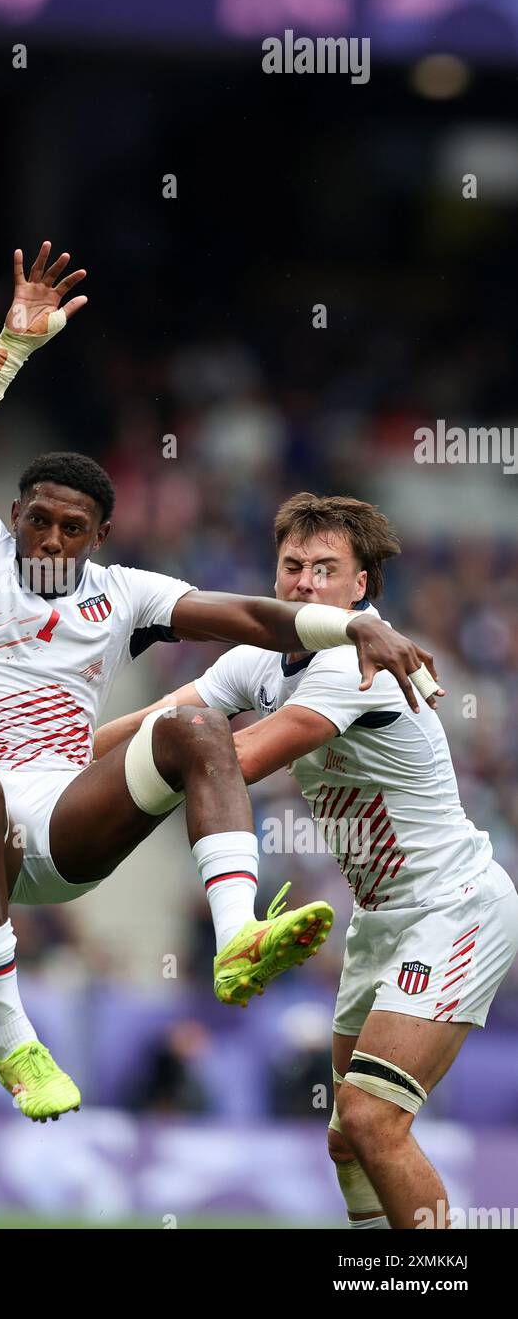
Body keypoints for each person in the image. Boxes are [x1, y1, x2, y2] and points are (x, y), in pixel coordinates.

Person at [0, 242, 440, 1123]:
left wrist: (351, 623)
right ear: (12, 518)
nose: (49, 539)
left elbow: (252, 618)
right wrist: (10, 350)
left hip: (64, 826)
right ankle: (15, 1041)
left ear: (99, 536)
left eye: (70, 528)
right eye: (35, 519)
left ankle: (237, 940)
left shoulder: (128, 596)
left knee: (199, 732)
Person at [95, 492, 518, 1229]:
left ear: (360, 589)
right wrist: (53, 762)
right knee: (347, 1140)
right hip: (382, 920)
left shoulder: (357, 662)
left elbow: (243, 758)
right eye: (293, 566)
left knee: (370, 1119)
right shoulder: (261, 655)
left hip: (455, 910)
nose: (305, 583)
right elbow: (159, 722)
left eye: (327, 570)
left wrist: (127, 791)